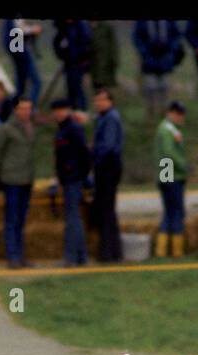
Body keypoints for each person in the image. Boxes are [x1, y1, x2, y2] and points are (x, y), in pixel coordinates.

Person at [0, 96, 36, 269]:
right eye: (22, 109)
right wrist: (3, 173)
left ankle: (21, 254)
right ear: (15, 110)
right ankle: (12, 256)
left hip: (27, 178)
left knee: (21, 220)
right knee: (12, 219)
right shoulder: (7, 129)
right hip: (12, 179)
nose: (26, 112)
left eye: (28, 108)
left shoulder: (31, 128)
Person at [52, 99, 89, 267]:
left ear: (68, 110)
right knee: (75, 218)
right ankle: (81, 256)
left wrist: (79, 175)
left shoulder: (73, 129)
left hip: (73, 179)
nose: (59, 113)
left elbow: (85, 154)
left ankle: (71, 257)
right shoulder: (63, 129)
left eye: (62, 109)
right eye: (56, 110)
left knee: (72, 219)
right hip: (68, 179)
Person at [91, 87, 123, 262]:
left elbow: (108, 146)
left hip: (108, 168)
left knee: (106, 210)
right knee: (107, 210)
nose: (98, 103)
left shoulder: (110, 118)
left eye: (102, 100)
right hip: (107, 167)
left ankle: (108, 252)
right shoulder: (104, 118)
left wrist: (93, 153)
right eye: (96, 100)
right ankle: (112, 251)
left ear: (110, 101)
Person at [154, 100, 188, 258]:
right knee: (176, 211)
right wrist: (183, 166)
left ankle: (162, 250)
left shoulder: (169, 128)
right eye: (179, 114)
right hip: (170, 173)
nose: (181, 118)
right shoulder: (167, 129)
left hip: (166, 173)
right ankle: (177, 251)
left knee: (169, 211)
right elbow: (168, 153)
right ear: (171, 113)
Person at [133, 20, 182, 121]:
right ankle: (150, 112)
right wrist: (144, 52)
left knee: (165, 86)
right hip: (148, 57)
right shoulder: (141, 22)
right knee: (150, 86)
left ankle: (165, 112)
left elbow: (176, 35)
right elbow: (136, 37)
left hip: (166, 57)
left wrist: (172, 52)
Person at [53, 19, 92, 112]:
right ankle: (73, 111)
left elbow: (86, 43)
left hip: (79, 63)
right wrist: (62, 54)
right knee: (71, 88)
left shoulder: (81, 26)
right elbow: (56, 42)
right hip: (69, 63)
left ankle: (82, 111)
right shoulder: (61, 27)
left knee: (78, 88)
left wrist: (83, 58)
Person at [2, 17, 42, 103]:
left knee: (21, 83)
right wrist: (32, 30)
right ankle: (29, 107)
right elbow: (18, 30)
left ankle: (17, 106)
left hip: (17, 48)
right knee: (36, 82)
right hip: (18, 48)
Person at [89, 20, 119, 94]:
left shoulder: (106, 27)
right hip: (93, 64)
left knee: (107, 87)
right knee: (96, 86)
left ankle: (108, 103)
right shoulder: (86, 27)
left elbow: (113, 45)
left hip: (106, 62)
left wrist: (115, 60)